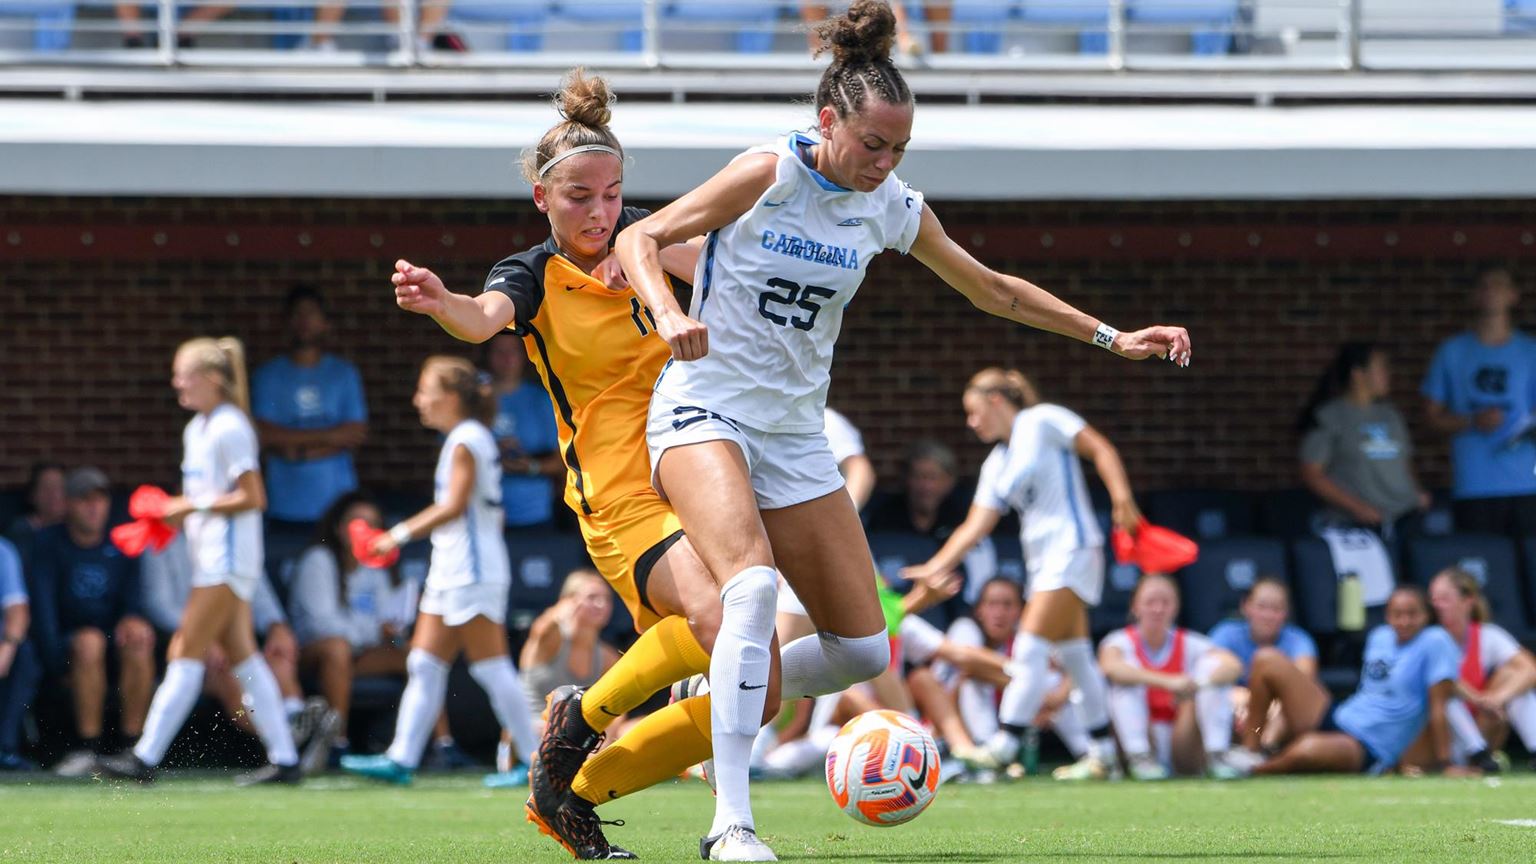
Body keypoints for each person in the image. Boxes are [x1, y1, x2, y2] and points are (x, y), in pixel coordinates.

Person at [615, 0, 1189, 852]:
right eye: (871, 145)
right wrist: (666, 310)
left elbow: (992, 288)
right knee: (753, 589)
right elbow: (643, 236)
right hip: (704, 408)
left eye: (899, 149)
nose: (884, 164)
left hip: (796, 435)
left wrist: (1112, 336)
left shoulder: (889, 207)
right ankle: (729, 823)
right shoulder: (766, 171)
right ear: (827, 122)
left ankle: (722, 693)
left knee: (861, 653)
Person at [386, 68, 756, 860]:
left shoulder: (646, 242)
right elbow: (482, 320)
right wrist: (440, 300)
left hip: (698, 475)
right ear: (543, 201)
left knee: (757, 690)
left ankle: (570, 793)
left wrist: (658, 254)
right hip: (620, 496)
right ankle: (580, 719)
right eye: (580, 197)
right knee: (727, 625)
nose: (601, 213)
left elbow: (739, 266)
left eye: (614, 195)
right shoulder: (530, 274)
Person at [900, 368, 1138, 783]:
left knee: (1028, 644)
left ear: (996, 401)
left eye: (974, 413)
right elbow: (975, 525)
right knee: (1076, 656)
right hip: (1043, 560)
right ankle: (1102, 753)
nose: (971, 423)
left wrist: (1121, 499)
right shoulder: (996, 462)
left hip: (1074, 546)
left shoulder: (1042, 420)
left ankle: (1005, 742)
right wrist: (935, 566)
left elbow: (1100, 448)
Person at [96, 337, 301, 786]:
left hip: (228, 560)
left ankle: (145, 757)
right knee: (245, 658)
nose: (177, 384)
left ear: (210, 379)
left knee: (184, 650)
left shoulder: (231, 426)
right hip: (211, 557)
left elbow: (252, 496)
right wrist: (171, 514)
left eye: (184, 375)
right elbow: (207, 497)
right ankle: (286, 758)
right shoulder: (198, 428)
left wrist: (186, 507)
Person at [338, 357, 539, 786]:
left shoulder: (467, 438)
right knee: (424, 663)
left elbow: (454, 506)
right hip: (452, 567)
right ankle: (402, 758)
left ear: (449, 397)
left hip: (472, 570)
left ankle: (537, 761)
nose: (418, 400)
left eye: (424, 390)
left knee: (491, 667)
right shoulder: (463, 438)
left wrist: (395, 535)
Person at [139, 530, 331, 772]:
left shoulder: (233, 540)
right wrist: (205, 636)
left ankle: (294, 727)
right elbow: (158, 604)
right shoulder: (164, 540)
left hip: (225, 641)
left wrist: (276, 625)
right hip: (183, 644)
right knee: (234, 675)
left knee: (276, 662)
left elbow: (254, 593)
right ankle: (295, 737)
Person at [29, 467, 155, 777]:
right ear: (68, 504)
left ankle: (133, 750)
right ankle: (88, 748)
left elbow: (134, 602)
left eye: (100, 499)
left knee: (139, 637)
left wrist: (131, 618)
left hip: (114, 644)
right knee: (89, 641)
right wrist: (55, 665)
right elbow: (43, 614)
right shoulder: (48, 545)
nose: (93, 507)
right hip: (68, 646)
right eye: (85, 500)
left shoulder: (122, 542)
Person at [1255, 586, 1461, 776]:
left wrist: (1446, 763)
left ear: (1427, 616)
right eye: (1397, 615)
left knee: (1307, 749)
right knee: (1267, 659)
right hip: (1341, 716)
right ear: (1387, 616)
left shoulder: (1436, 641)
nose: (1404, 621)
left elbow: (1439, 706)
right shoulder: (1379, 636)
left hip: (1369, 748)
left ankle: (1257, 769)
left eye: (1412, 614)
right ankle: (1250, 750)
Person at [287, 491, 413, 764]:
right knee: (337, 648)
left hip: (358, 653)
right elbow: (322, 624)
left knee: (420, 658)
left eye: (372, 524)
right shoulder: (318, 559)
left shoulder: (375, 566)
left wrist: (390, 631)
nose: (364, 530)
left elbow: (385, 617)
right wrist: (372, 632)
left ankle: (433, 745)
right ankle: (335, 744)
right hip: (312, 654)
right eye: (357, 522)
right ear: (338, 527)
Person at [1422, 266, 1536, 537]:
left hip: (1527, 482)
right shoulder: (1452, 352)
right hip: (1474, 483)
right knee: (1481, 568)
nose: (1491, 291)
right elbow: (1429, 418)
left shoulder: (1530, 352)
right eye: (1484, 285)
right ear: (1474, 296)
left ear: (1513, 295)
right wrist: (1471, 421)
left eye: (1499, 284)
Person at [1098, 574, 1244, 780]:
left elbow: (1233, 665)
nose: (1158, 609)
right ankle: (1140, 758)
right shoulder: (1118, 641)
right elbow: (1110, 668)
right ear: (1135, 606)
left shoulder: (1192, 642)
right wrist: (1169, 682)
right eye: (1150, 602)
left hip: (1182, 741)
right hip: (1136, 738)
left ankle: (1216, 754)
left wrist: (1198, 684)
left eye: (1165, 602)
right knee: (1124, 681)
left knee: (1211, 667)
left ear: (1176, 607)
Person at [252, 285, 369, 531]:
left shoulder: (343, 374)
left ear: (326, 323)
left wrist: (298, 452)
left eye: (311, 314)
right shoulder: (267, 375)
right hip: (282, 504)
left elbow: (355, 434)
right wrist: (330, 435)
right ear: (286, 322)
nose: (304, 321)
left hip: (337, 504)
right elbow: (263, 435)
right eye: (297, 314)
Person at [1299, 342, 1430, 537]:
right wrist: (1357, 508)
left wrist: (1418, 492)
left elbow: (1404, 461)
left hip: (1406, 517)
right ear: (1358, 374)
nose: (1388, 374)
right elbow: (1312, 473)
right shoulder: (1330, 416)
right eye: (1381, 367)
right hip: (1360, 524)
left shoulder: (1391, 415)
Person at [1425, 568, 1536, 772]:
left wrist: (1497, 698)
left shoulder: (1489, 635)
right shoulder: (1430, 638)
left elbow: (1530, 669)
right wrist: (1477, 698)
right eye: (1434, 599)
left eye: (1444, 598)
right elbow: (1447, 684)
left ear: (1468, 601)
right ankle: (1475, 753)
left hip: (1484, 726)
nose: (1436, 606)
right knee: (1444, 690)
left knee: (1513, 677)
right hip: (1441, 740)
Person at [1208, 578, 1319, 752]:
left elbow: (1304, 684)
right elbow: (1209, 673)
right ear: (1246, 606)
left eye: (1276, 609)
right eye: (1261, 607)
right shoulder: (1225, 633)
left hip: (1279, 716)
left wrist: (1266, 706)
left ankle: (1264, 748)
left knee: (1281, 712)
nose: (1268, 616)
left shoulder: (1300, 640)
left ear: (1286, 612)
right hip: (1237, 711)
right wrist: (1245, 700)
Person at [485, 331, 563, 533]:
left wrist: (531, 466)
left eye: (513, 351)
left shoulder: (541, 399)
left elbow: (563, 462)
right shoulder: (475, 400)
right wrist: (491, 452)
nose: (507, 358)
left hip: (535, 513)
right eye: (500, 352)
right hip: (484, 513)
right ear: (488, 356)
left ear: (524, 356)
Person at [863, 439, 969, 538]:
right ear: (906, 478)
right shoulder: (884, 516)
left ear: (949, 481)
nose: (925, 486)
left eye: (933, 478)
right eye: (918, 477)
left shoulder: (962, 518)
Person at [0, 537, 41, 771]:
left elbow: (17, 608)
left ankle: (5, 749)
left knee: (23, 655)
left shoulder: (3, 550)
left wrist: (7, 645)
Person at [6, 460, 65, 579]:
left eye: (59, 487)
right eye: (46, 487)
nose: (54, 494)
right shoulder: (20, 532)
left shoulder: (75, 530)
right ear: (33, 495)